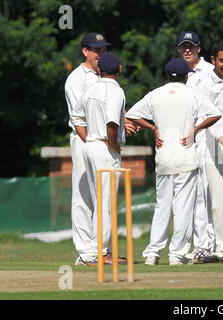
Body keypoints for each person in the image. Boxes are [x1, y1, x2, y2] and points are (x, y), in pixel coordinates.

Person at [125, 58, 221, 265]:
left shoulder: (156, 94)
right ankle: (177, 254)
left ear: (167, 75)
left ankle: (153, 253)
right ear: (186, 76)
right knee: (183, 208)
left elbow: (132, 114)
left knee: (162, 206)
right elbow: (215, 114)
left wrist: (154, 128)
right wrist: (195, 129)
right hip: (186, 157)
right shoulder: (192, 94)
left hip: (164, 158)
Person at [71, 52, 127, 266]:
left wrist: (90, 139)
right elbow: (112, 123)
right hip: (105, 149)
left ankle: (97, 251)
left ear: (99, 70)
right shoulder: (116, 91)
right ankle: (100, 253)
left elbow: (76, 117)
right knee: (107, 202)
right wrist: (112, 146)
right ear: (119, 69)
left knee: (99, 201)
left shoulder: (91, 88)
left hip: (91, 146)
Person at [64, 32, 109, 266]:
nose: (100, 54)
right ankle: (85, 253)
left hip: (103, 142)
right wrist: (91, 145)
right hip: (84, 141)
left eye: (103, 50)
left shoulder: (104, 76)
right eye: (96, 50)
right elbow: (78, 119)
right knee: (83, 196)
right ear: (85, 51)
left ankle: (101, 250)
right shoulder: (76, 79)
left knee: (102, 195)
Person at [196, 40, 223, 263]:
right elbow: (206, 120)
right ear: (213, 60)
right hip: (213, 149)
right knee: (218, 203)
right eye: (222, 60)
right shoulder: (204, 85)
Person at [177, 31, 216, 261]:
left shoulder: (210, 71)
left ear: (199, 48)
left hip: (209, 136)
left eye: (191, 46)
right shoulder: (178, 73)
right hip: (187, 139)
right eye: (183, 47)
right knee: (195, 194)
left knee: (208, 193)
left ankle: (209, 244)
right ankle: (202, 243)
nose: (187, 50)